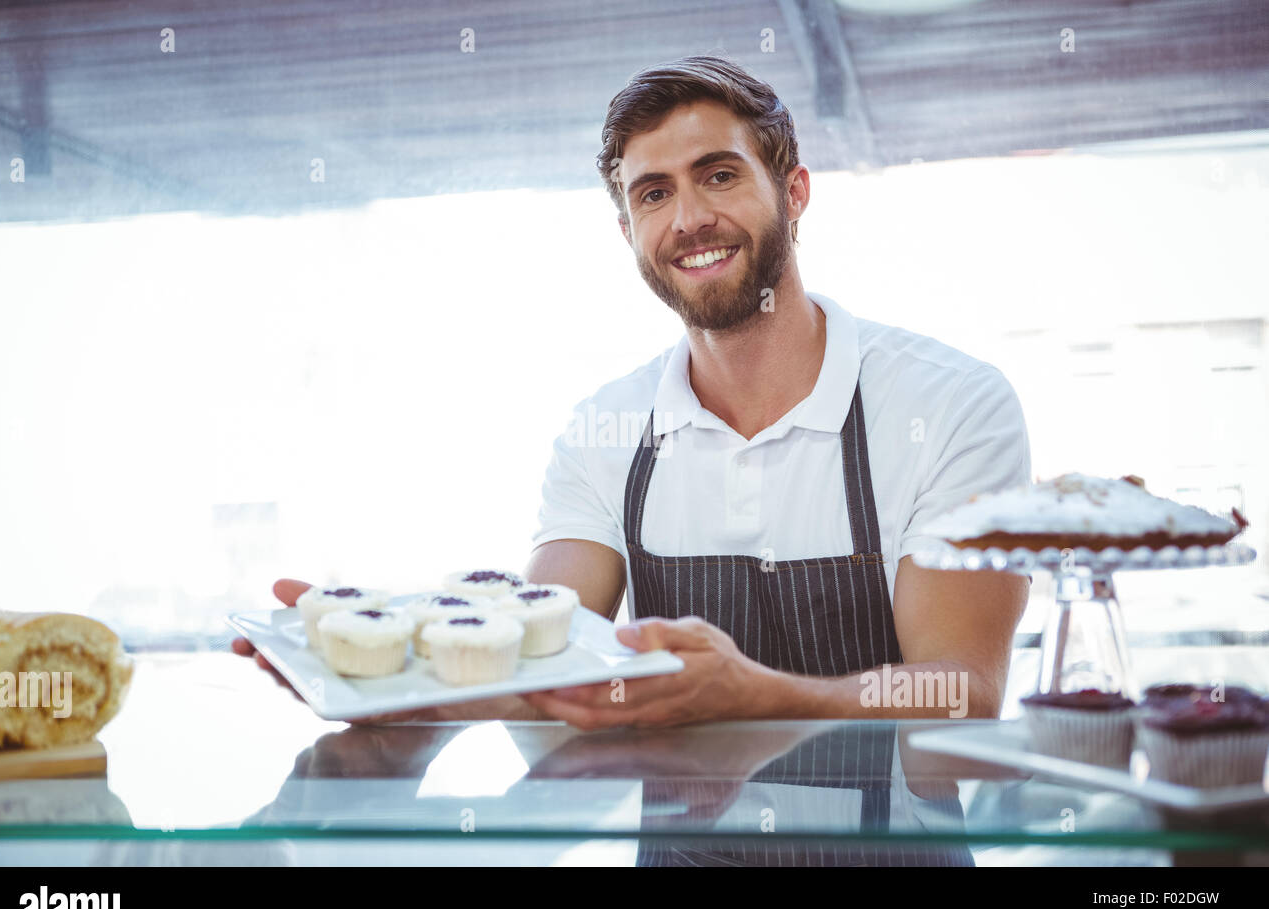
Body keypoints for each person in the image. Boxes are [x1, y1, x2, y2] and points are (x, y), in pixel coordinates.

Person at [234, 54, 1031, 729]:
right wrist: (383, 669)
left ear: (793, 192)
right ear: (627, 231)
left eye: (719, 175)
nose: (689, 218)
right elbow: (538, 657)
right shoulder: (604, 431)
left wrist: (759, 695)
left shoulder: (951, 406)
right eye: (653, 193)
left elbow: (962, 687)